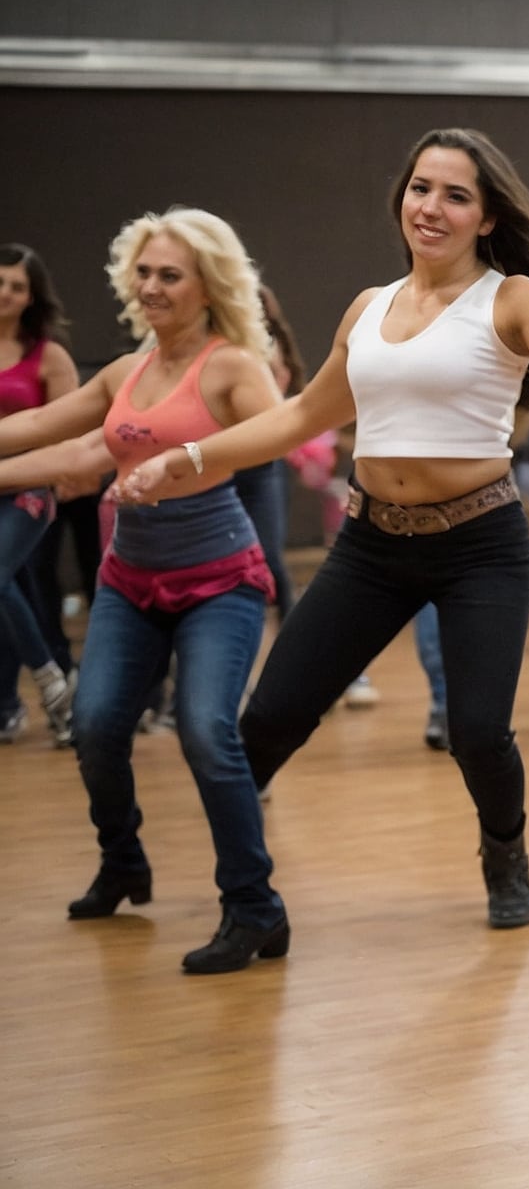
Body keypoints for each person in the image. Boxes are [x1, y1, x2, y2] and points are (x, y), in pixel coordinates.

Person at [120, 129, 529, 939]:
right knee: (267, 721)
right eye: (421, 188)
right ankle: (247, 894)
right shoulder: (368, 307)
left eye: (456, 195)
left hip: (479, 547)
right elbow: (300, 416)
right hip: (371, 547)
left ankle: (505, 852)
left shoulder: (517, 300)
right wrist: (188, 456)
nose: (432, 207)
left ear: (486, 216)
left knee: (478, 732)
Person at [0, 210, 291, 971]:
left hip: (219, 579)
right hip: (129, 579)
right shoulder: (128, 370)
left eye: (171, 274)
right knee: (94, 728)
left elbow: (280, 435)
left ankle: (254, 905)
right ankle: (124, 863)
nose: (152, 287)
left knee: (205, 732)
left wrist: (187, 457)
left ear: (208, 286)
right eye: (145, 272)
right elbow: (61, 436)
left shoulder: (231, 366)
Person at [0, 244, 79, 744]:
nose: (4, 293)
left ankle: (50, 683)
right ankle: (12, 705)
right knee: (12, 591)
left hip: (26, 490)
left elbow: (72, 429)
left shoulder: (48, 355)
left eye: (16, 285)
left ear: (31, 296)